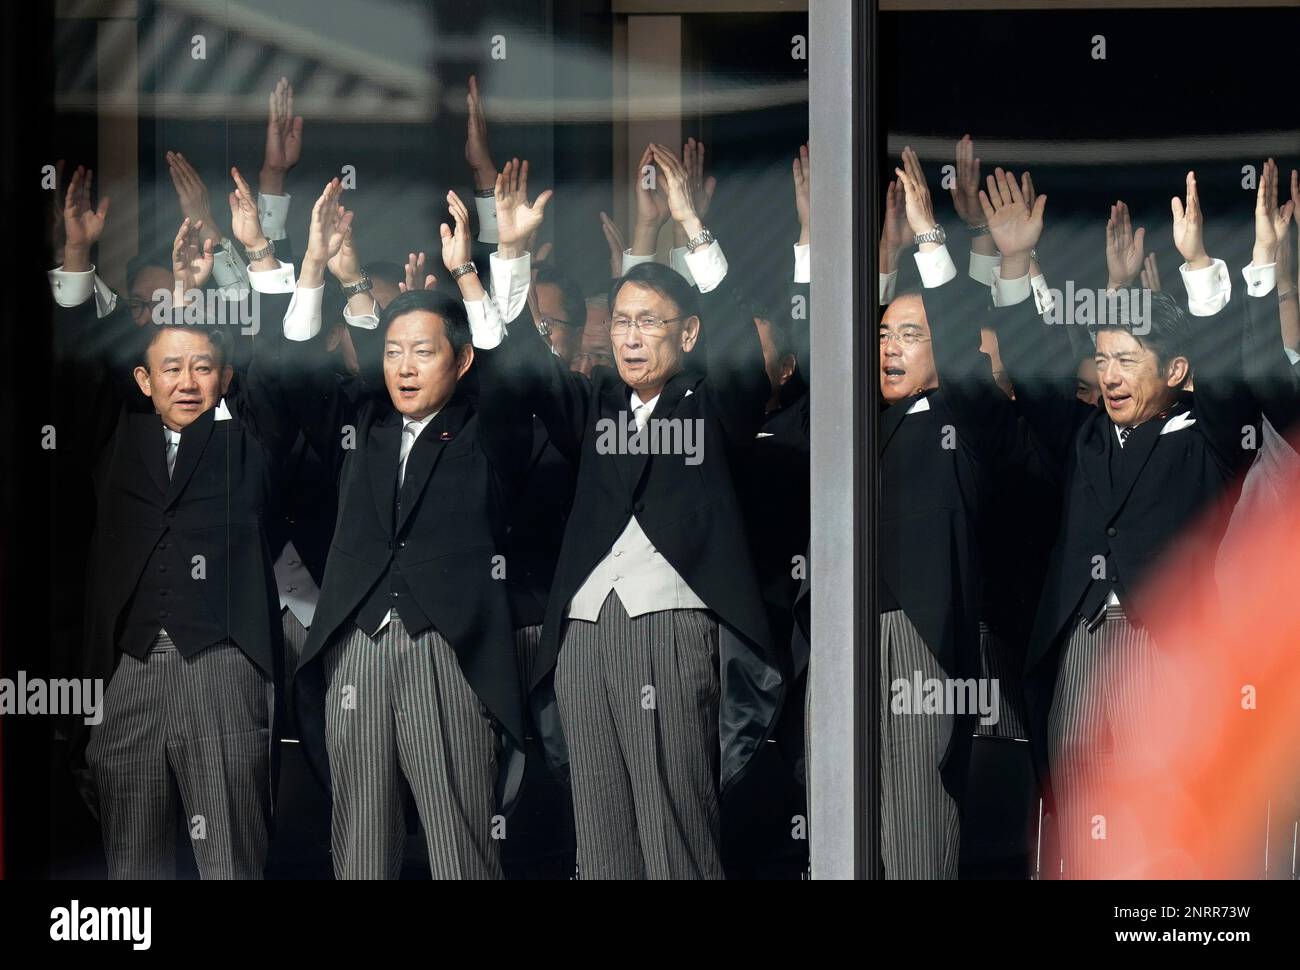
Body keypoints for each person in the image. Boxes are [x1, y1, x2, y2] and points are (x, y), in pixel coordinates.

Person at [984, 166, 1277, 878]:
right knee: (1083, 814)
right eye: (1104, 360)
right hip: (1081, 645)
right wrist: (1018, 262)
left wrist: (1200, 265)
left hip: (1166, 649)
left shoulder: (1210, 438)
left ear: (1177, 368)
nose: (1111, 375)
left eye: (1129, 360)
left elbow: (1232, 373)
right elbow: (1035, 366)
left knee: (1164, 825)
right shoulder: (1082, 436)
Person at [501, 144, 783, 879]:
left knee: (675, 834)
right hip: (584, 634)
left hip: (671, 626)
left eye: (649, 322)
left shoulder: (710, 403)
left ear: (686, 335)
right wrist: (507, 257)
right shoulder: (594, 403)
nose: (628, 336)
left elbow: (744, 362)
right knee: (599, 844)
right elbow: (522, 366)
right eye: (621, 321)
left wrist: (690, 225)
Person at [286, 179, 536, 879]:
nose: (403, 366)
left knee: (461, 846)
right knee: (360, 850)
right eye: (393, 351)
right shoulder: (360, 426)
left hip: (448, 652)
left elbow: (518, 379)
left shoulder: (488, 431)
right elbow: (288, 376)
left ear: (460, 361)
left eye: (423, 351)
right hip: (355, 651)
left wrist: (467, 270)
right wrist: (313, 269)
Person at [53, 165, 298, 878]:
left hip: (224, 668)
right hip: (126, 673)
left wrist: (247, 256)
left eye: (203, 367)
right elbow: (73, 372)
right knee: (132, 871)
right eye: (171, 369)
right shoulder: (114, 437)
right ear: (143, 379)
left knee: (229, 863)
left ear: (224, 377)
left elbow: (283, 370)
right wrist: (75, 258)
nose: (187, 381)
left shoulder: (248, 440)